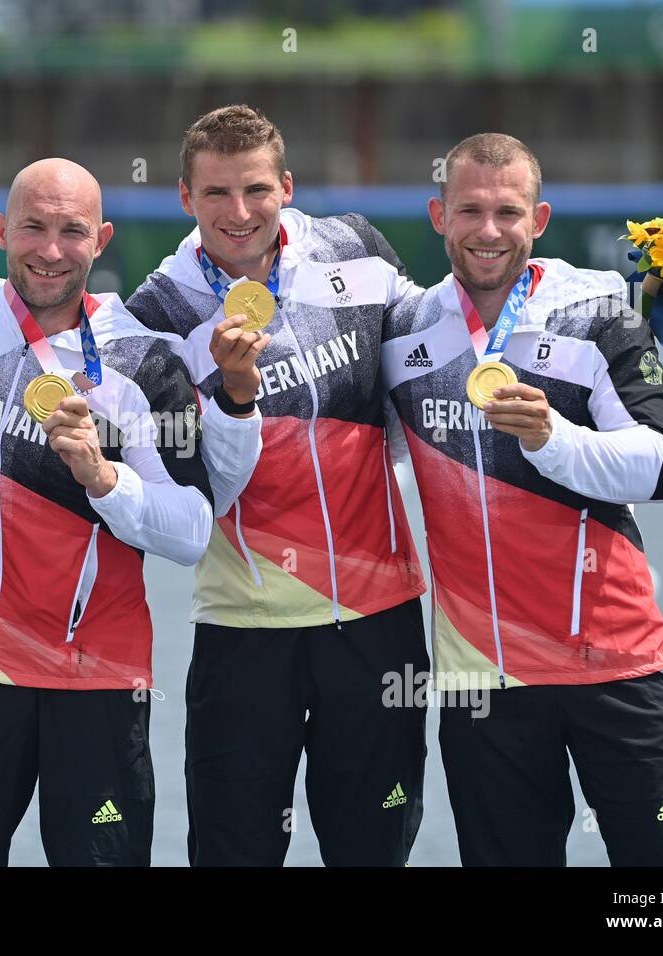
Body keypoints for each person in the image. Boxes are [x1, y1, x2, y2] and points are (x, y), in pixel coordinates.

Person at [0, 158, 261, 866]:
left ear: (102, 239)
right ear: (0, 230)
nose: (51, 250)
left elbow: (193, 532)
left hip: (97, 682)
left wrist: (103, 477)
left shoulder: (148, 360)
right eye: (34, 227)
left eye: (72, 231)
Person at [380, 132, 663, 866]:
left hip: (615, 664)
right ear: (438, 215)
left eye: (508, 211)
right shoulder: (402, 333)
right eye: (469, 211)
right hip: (484, 682)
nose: (488, 231)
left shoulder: (599, 314)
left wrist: (551, 439)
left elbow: (659, 467)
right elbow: (361, 457)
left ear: (540, 218)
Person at [126, 105, 429, 866]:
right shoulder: (155, 317)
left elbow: (439, 363)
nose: (239, 213)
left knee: (375, 851)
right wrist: (234, 392)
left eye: (256, 189)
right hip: (244, 632)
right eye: (217, 194)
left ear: (287, 186)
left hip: (379, 620)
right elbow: (197, 496)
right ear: (185, 198)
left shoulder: (357, 248)